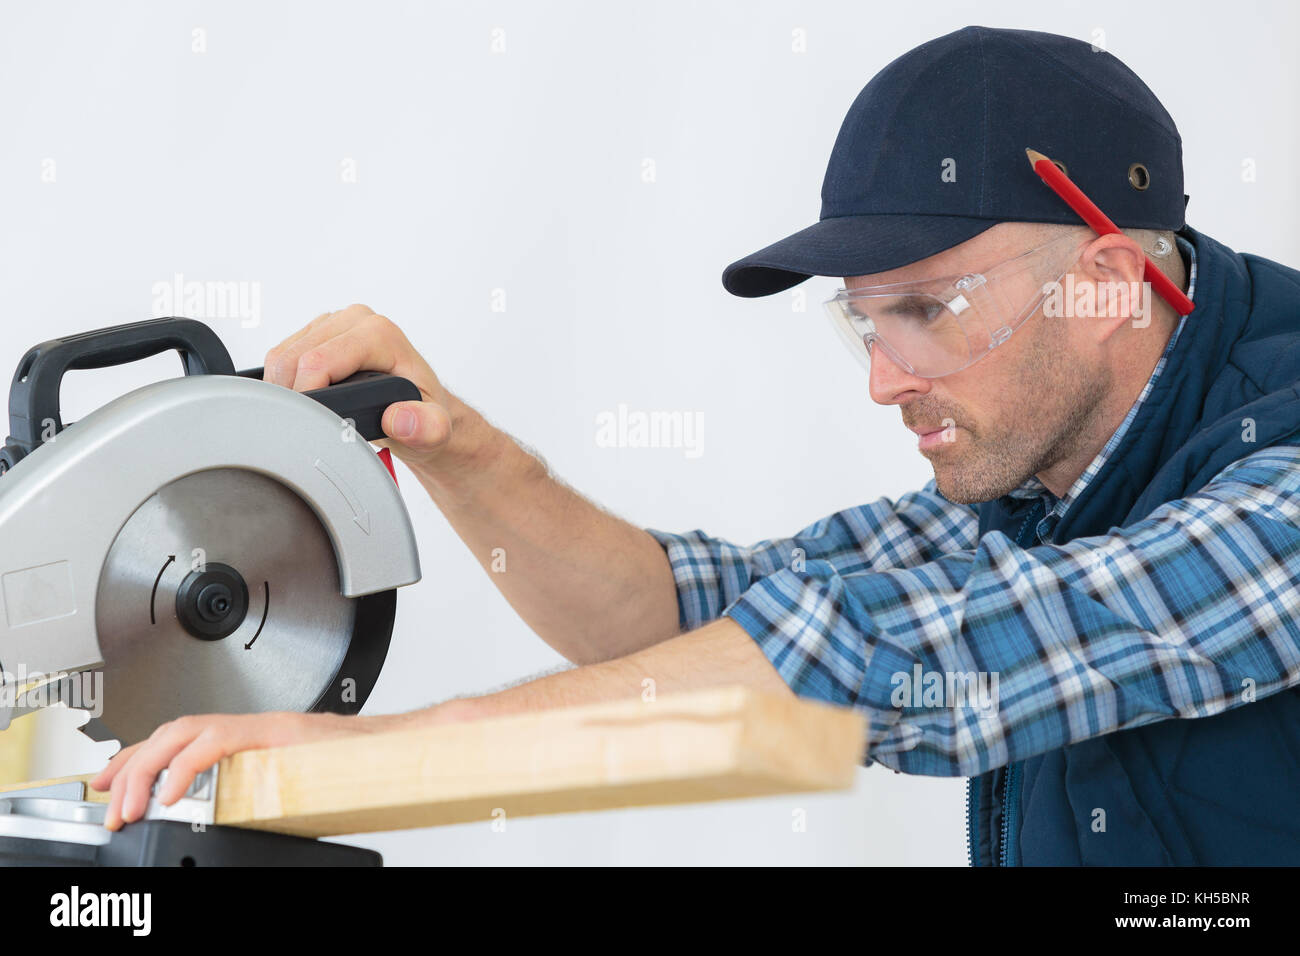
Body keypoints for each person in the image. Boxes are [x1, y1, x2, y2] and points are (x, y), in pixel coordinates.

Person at [93, 26, 1300, 866]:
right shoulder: (1045, 463)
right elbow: (687, 615)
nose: (885, 383)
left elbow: (891, 661)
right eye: (861, 324)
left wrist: (372, 758)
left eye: (927, 312)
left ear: (1102, 280)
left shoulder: (1279, 485)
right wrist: (450, 439)